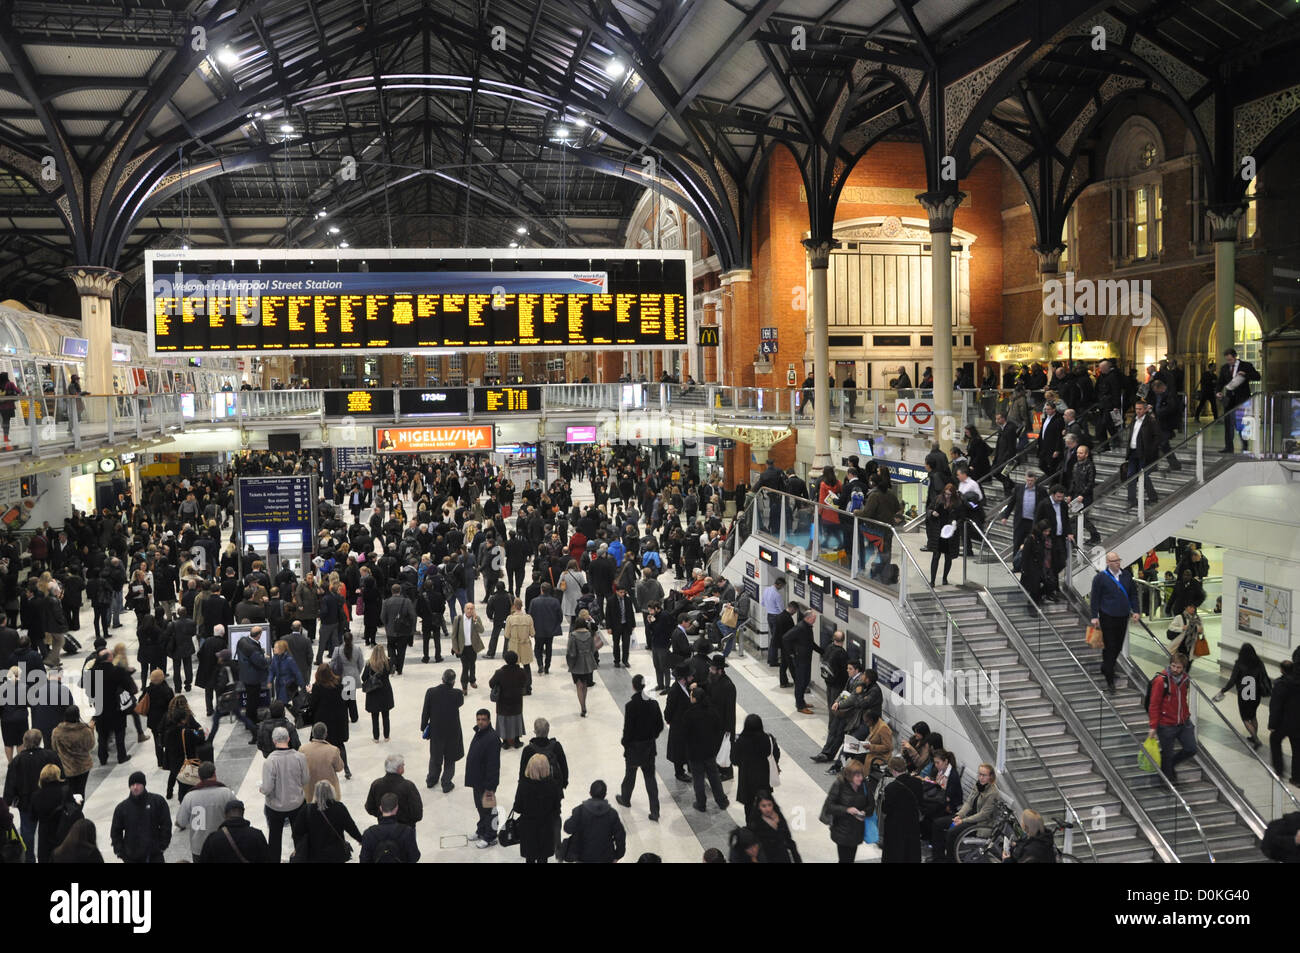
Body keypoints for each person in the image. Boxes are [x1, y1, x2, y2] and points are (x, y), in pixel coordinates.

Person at [1090, 551, 1141, 692]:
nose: (1117, 563)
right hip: (1107, 616)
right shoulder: (1100, 578)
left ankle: (1106, 666)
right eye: (1114, 561)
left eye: (1118, 560)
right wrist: (1094, 616)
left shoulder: (1127, 576)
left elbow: (1133, 594)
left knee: (1117, 646)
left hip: (1123, 616)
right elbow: (1095, 598)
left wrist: (1136, 610)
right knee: (1110, 645)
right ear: (1108, 563)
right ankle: (1109, 676)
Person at [929, 763, 1000, 862]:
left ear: (991, 777)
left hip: (979, 824)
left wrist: (963, 821)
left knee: (952, 832)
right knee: (937, 823)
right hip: (967, 818)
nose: (981, 777)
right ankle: (938, 858)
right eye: (979, 774)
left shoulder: (993, 793)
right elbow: (968, 803)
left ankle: (951, 860)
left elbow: (983, 815)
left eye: (984, 775)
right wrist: (959, 815)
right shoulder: (978, 785)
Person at [616, 674, 663, 821]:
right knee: (650, 779)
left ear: (633, 686)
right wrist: (652, 737)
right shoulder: (653, 704)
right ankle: (655, 811)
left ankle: (625, 799)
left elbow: (628, 729)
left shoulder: (631, 706)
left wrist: (625, 742)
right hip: (649, 747)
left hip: (634, 748)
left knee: (630, 774)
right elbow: (660, 726)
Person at [259, 725, 309, 862]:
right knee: (299, 836)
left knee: (274, 838)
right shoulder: (300, 757)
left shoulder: (270, 761)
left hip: (275, 807)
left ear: (274, 741)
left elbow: (267, 788)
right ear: (288, 738)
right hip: (297, 804)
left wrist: (262, 789)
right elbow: (306, 780)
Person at [1147, 651, 1198, 785]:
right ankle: (1167, 780)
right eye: (1173, 666)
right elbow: (1154, 704)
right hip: (1166, 725)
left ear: (1183, 668)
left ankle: (1168, 766)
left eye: (1179, 667)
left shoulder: (1185, 680)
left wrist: (1187, 716)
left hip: (1183, 723)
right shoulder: (1161, 680)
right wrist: (1153, 726)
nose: (1175, 669)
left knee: (1191, 748)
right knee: (1167, 754)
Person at [1215, 642, 1271, 751]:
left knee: (1245, 718)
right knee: (1253, 715)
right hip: (1256, 693)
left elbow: (1232, 680)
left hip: (1244, 694)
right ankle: (1254, 736)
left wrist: (1223, 690)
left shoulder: (1239, 664)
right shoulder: (1259, 662)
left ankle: (1256, 739)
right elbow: (1264, 676)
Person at [681, 685, 730, 813]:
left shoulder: (689, 714)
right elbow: (718, 728)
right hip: (709, 751)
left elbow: (684, 734)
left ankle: (701, 803)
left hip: (695, 753)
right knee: (714, 776)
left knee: (698, 778)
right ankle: (722, 801)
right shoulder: (712, 712)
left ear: (695, 699)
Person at [290, 780, 363, 862]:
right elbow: (351, 827)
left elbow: (297, 832)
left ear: (316, 793)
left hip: (314, 855)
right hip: (336, 854)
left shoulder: (307, 810)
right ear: (332, 792)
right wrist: (361, 839)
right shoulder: (339, 807)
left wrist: (298, 848)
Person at [174, 761, 234, 862]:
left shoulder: (189, 797)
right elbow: (237, 815)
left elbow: (181, 821)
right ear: (214, 774)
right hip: (222, 844)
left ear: (199, 777)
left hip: (199, 848)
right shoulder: (226, 793)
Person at [512, 753, 563, 863]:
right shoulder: (553, 785)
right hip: (546, 827)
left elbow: (517, 808)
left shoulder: (523, 785)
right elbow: (556, 809)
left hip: (528, 828)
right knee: (543, 857)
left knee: (529, 857)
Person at [110, 771, 170, 863]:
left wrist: (162, 845)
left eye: (138, 784)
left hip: (154, 855)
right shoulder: (122, 808)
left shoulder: (157, 801)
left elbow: (166, 824)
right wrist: (120, 852)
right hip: (131, 857)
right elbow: (115, 832)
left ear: (144, 784)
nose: (135, 787)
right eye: (132, 784)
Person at [562, 779, 627, 863]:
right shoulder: (612, 814)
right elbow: (620, 836)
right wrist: (618, 855)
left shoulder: (580, 811)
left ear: (590, 793)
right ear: (605, 795)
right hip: (606, 857)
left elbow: (567, 828)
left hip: (582, 856)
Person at [731, 713, 780, 823]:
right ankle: (764, 826)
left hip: (747, 779)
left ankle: (751, 827)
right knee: (764, 803)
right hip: (764, 778)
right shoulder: (768, 739)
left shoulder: (741, 741)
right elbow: (775, 755)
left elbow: (734, 760)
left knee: (749, 805)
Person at [821, 758, 871, 864]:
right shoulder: (839, 784)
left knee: (850, 859)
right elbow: (829, 806)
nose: (861, 778)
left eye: (861, 775)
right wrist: (847, 810)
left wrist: (865, 812)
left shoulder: (864, 784)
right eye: (858, 776)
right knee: (844, 859)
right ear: (850, 775)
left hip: (857, 830)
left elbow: (871, 804)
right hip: (842, 831)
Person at [464, 709, 500, 848]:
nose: (480, 722)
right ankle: (482, 830)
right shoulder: (479, 733)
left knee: (490, 810)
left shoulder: (492, 738)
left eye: (483, 719)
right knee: (481, 808)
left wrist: (490, 785)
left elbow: (493, 764)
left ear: (489, 720)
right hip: (477, 780)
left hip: (487, 783)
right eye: (478, 719)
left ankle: (490, 836)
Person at [879, 756, 924, 863]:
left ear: (893, 770)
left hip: (895, 827)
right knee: (911, 853)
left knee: (895, 854)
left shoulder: (890, 788)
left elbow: (885, 809)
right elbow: (921, 802)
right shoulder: (917, 783)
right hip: (913, 825)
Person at [196, 799, 271, 863]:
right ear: (243, 813)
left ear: (225, 815)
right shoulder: (257, 835)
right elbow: (266, 859)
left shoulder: (213, 839)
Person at [1216, 347, 1259, 453]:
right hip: (1229, 400)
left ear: (1235, 357)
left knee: (1241, 423)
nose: (1229, 362)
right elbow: (1220, 382)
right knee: (1228, 423)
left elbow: (1257, 376)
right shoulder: (1225, 368)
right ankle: (1228, 447)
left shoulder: (1246, 366)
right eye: (1227, 360)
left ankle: (1245, 446)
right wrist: (1218, 392)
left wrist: (1246, 375)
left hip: (1242, 399)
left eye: (1231, 360)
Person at [360, 791, 421, 863]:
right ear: (396, 808)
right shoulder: (407, 831)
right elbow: (414, 857)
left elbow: (364, 860)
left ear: (380, 808)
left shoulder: (368, 834)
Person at [49, 705, 94, 800]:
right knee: (81, 792)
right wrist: (92, 730)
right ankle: (79, 812)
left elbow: (54, 748)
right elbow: (90, 746)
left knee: (69, 793)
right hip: (83, 767)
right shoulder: (85, 730)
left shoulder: (57, 732)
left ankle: (72, 812)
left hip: (66, 768)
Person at [1266, 661, 1299, 784]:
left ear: (1281, 670)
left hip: (1284, 722)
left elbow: (1276, 706)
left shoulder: (1281, 685)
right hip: (1298, 722)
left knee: (1275, 740)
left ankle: (1278, 770)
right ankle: (1297, 778)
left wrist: (1272, 724)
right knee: (1297, 749)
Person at [745, 790, 800, 863]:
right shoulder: (755, 822)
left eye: (769, 805)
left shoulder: (779, 817)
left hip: (782, 856)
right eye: (763, 806)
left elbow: (788, 838)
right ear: (758, 807)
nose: (767, 809)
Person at [1125, 399, 1161, 508]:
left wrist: (1150, 450)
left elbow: (1157, 436)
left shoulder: (1151, 421)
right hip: (1133, 451)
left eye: (1140, 409)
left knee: (1144, 476)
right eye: (1136, 409)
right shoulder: (1134, 420)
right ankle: (1131, 499)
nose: (1138, 411)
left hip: (1143, 453)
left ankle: (1152, 496)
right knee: (1130, 476)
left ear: (1145, 409)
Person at [489, 650, 528, 747]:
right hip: (517, 703)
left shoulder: (499, 673)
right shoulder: (521, 672)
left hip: (503, 704)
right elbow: (525, 683)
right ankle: (517, 741)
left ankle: (505, 742)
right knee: (516, 721)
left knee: (503, 721)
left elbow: (491, 683)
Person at [302, 722, 344, 802]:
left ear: (313, 734)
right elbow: (340, 768)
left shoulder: (303, 749)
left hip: (310, 791)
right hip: (330, 791)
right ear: (325, 735)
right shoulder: (333, 750)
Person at [380, 583, 416, 675]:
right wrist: (412, 629)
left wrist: (387, 625)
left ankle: (393, 661)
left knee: (390, 647)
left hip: (390, 630)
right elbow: (412, 616)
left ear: (392, 591)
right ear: (400, 591)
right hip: (403, 630)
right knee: (402, 649)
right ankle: (399, 669)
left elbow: (382, 617)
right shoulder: (407, 601)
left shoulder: (386, 602)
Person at [362, 644, 395, 742]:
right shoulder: (388, 662)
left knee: (374, 716)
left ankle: (376, 737)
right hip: (385, 691)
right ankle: (386, 736)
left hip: (373, 692)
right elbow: (391, 672)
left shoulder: (369, 664)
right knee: (386, 715)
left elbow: (363, 678)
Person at [566, 616, 597, 717]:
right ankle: (584, 705)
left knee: (579, 686)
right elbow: (593, 649)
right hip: (588, 663)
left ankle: (583, 707)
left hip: (577, 664)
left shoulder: (573, 636)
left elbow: (571, 652)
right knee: (584, 684)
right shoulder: (589, 634)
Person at [451, 602, 484, 693]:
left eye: (471, 609)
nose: (469, 610)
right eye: (468, 608)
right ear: (464, 609)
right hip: (463, 648)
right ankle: (464, 685)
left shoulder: (476, 619)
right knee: (465, 667)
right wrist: (455, 647)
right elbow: (454, 635)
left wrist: (475, 621)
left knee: (472, 665)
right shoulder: (458, 619)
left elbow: (481, 630)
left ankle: (472, 680)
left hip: (473, 647)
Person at [503, 598, 535, 693]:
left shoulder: (510, 618)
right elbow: (532, 633)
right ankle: (528, 687)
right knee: (526, 666)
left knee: (514, 667)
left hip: (514, 645)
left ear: (514, 606)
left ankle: (516, 687)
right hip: (525, 645)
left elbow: (506, 634)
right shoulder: (528, 618)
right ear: (522, 606)